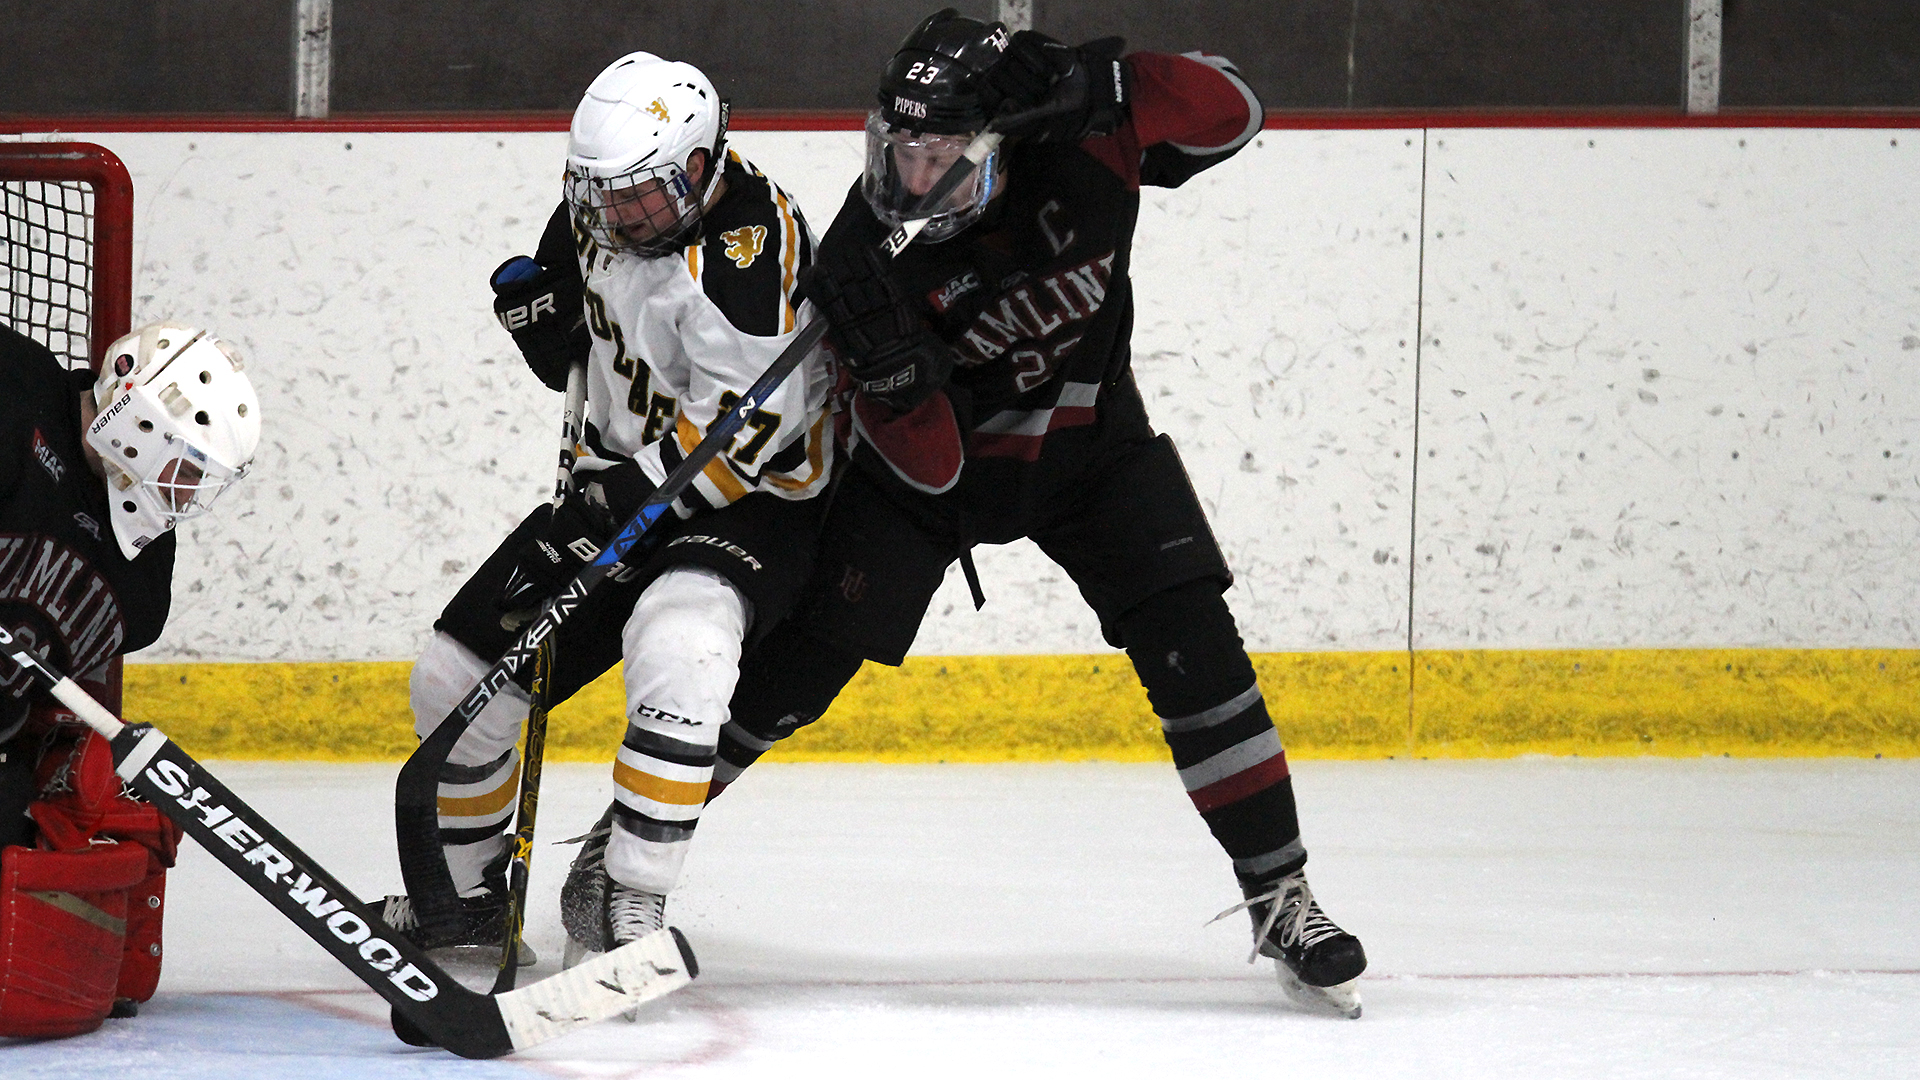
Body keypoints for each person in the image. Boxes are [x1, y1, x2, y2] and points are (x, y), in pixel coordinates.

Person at [707, 10, 1370, 1017]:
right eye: (900, 149)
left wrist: (1106, 82)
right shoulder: (859, 256)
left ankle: (1282, 896)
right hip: (929, 487)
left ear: (1002, 141)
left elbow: (1235, 110)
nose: (913, 177)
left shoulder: (1086, 141)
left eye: (940, 154)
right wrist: (896, 386)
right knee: (799, 667)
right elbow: (929, 464)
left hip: (1091, 447)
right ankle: (630, 850)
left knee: (1194, 642)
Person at [381, 51, 833, 966]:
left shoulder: (752, 254)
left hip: (749, 503)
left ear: (700, 166)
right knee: (454, 676)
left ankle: (631, 898)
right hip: (617, 481)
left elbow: (743, 437)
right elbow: (580, 332)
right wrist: (545, 329)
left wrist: (626, 495)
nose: (617, 215)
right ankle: (469, 902)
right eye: (602, 194)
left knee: (682, 648)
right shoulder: (601, 204)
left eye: (639, 196)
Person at [0, 319, 260, 1036]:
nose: (182, 490)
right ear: (134, 411)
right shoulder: (14, 388)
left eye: (199, 478)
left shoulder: (139, 574)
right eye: (182, 462)